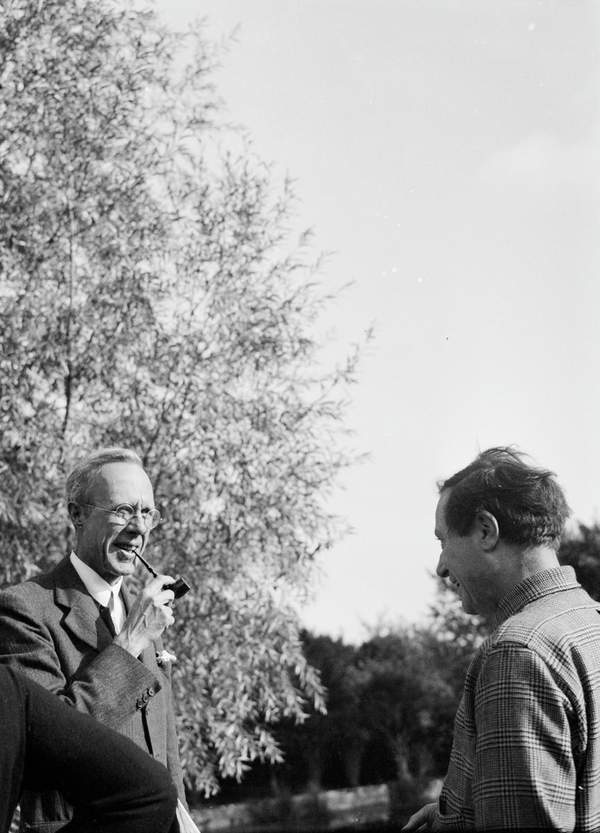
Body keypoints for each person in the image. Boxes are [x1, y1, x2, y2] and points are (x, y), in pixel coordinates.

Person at [404, 447, 600, 832]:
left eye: (443, 540)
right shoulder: (588, 622)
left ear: (485, 530)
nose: (441, 566)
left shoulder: (518, 651)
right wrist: (454, 817)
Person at [0, 448, 186, 832]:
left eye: (147, 512)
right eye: (122, 510)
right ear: (77, 515)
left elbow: (164, 757)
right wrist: (130, 642)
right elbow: (41, 750)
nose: (139, 527)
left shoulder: (141, 616)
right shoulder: (23, 609)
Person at [0, 664, 177, 833]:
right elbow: (43, 740)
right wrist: (130, 644)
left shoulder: (147, 635)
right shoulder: (22, 643)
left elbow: (167, 745)